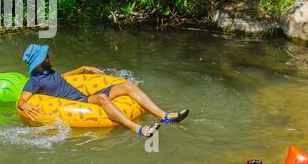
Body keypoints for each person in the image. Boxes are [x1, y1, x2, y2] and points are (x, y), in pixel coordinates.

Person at [16, 43, 188, 138]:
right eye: (46, 56)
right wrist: (24, 106)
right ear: (40, 62)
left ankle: (164, 115)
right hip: (79, 103)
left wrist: (82, 69)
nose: (49, 57)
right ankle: (136, 128)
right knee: (101, 99)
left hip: (85, 96)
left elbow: (63, 77)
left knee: (128, 85)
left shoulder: (49, 72)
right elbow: (22, 99)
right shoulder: (34, 81)